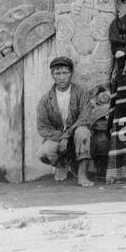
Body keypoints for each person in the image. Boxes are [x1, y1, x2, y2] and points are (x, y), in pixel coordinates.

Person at [35, 56, 94, 186]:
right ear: (52, 75)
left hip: (77, 135)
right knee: (43, 153)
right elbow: (42, 127)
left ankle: (82, 173)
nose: (61, 77)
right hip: (58, 138)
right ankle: (62, 164)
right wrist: (61, 138)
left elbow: (85, 118)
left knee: (83, 132)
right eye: (57, 73)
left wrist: (67, 136)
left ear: (71, 74)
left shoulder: (81, 93)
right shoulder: (46, 100)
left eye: (65, 73)